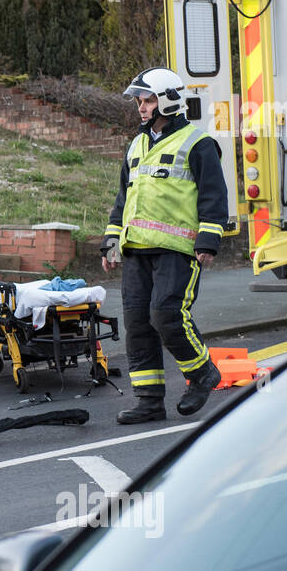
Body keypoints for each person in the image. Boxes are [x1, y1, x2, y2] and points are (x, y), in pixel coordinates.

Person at [101, 67, 228, 424]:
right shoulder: (137, 144)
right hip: (136, 251)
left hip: (178, 250)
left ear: (168, 100)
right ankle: (149, 401)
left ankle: (202, 373)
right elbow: (123, 199)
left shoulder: (198, 143)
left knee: (166, 315)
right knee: (138, 323)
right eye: (139, 101)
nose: (141, 107)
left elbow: (214, 196)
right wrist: (111, 241)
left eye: (148, 99)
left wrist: (209, 241)